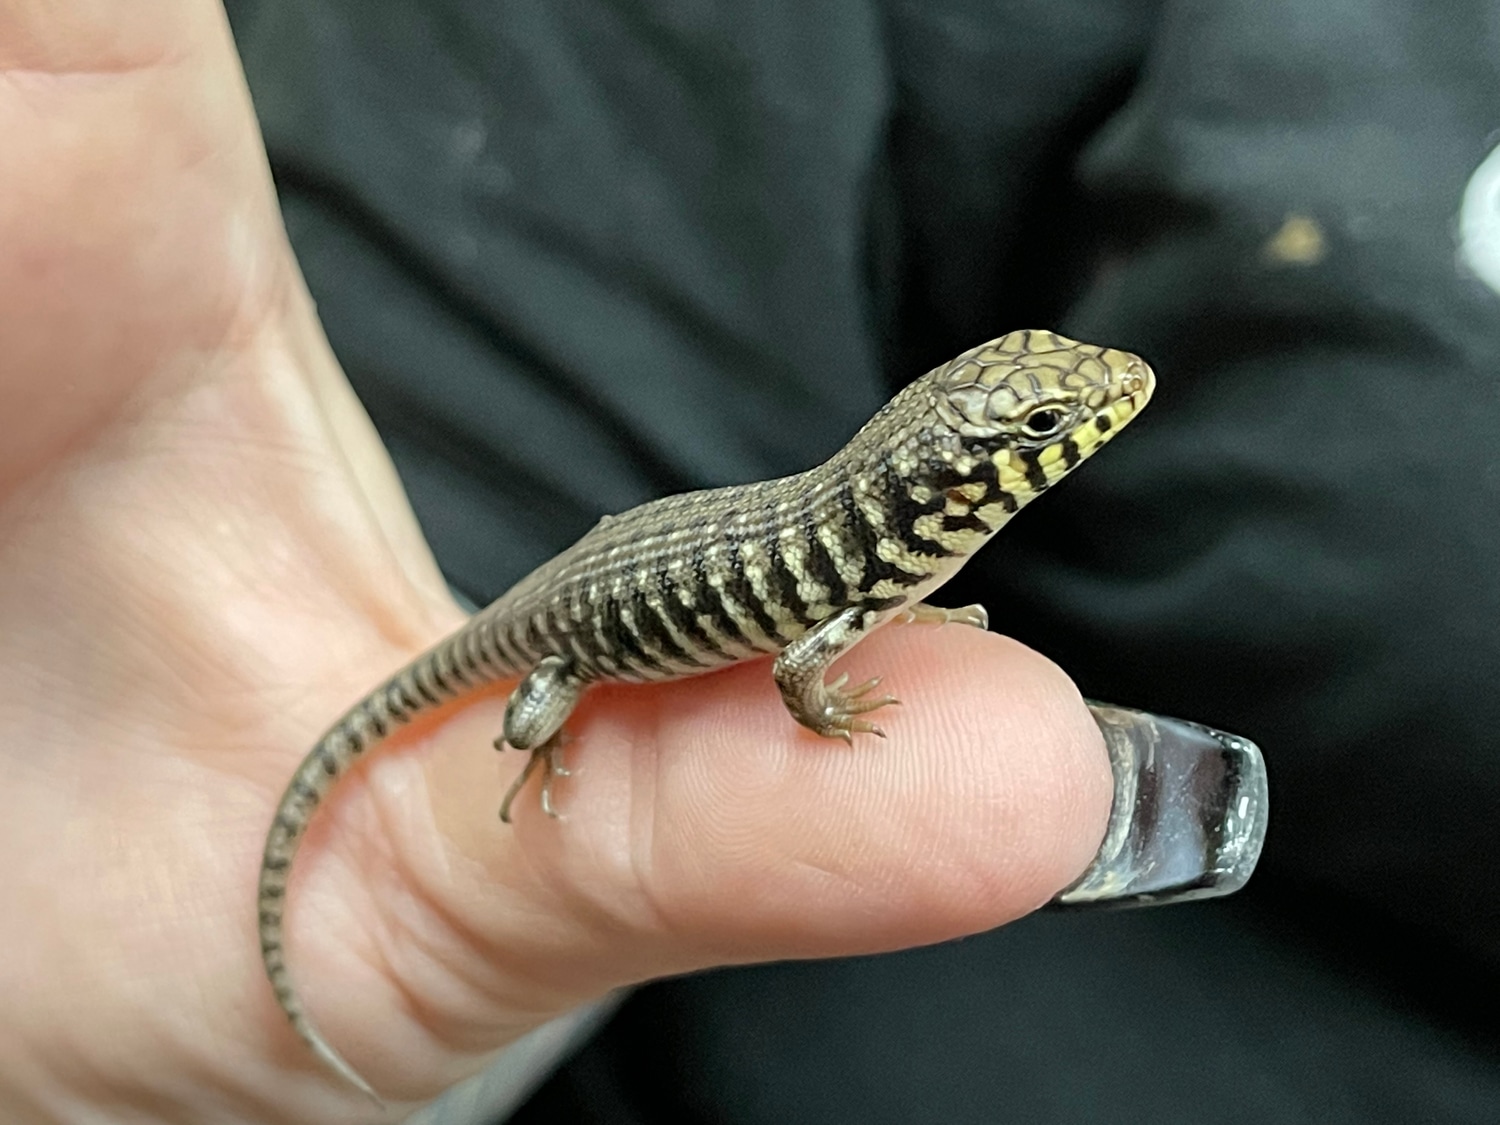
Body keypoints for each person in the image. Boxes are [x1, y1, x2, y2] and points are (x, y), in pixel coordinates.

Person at [0, 5, 1115, 1121]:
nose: (1102, 399)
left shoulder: (881, 541)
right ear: (951, 477)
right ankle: (519, 741)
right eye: (1043, 423)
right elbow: (794, 669)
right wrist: (824, 713)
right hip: (569, 636)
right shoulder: (869, 558)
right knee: (537, 712)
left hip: (618, 556)